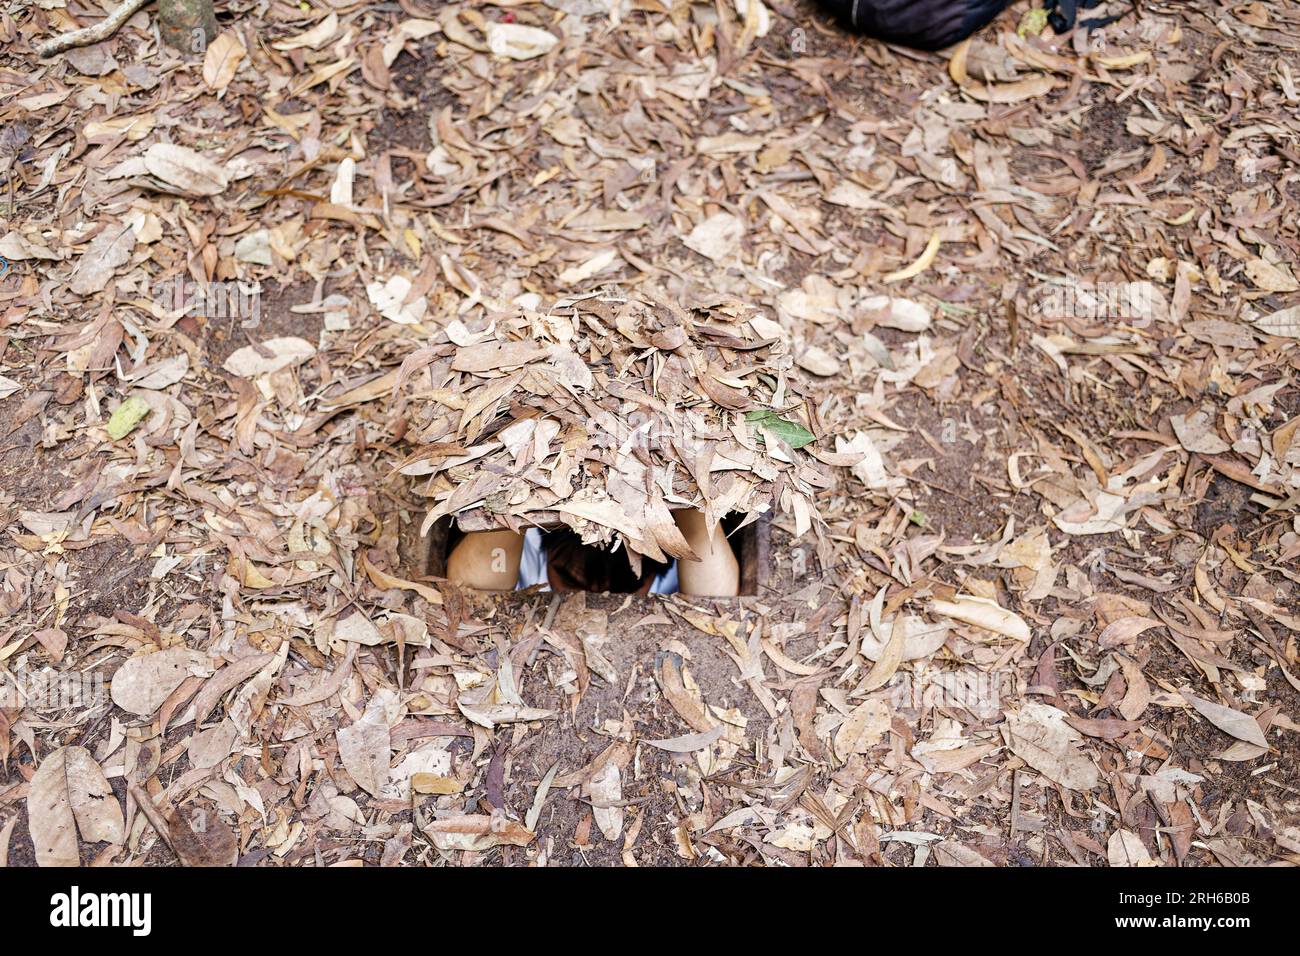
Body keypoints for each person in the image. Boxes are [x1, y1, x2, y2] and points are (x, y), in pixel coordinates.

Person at [446, 508, 739, 596]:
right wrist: (515, 508)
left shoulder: (681, 568)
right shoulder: (526, 549)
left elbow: (718, 602)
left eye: (628, 589)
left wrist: (693, 512)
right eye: (567, 579)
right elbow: (468, 588)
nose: (589, 600)